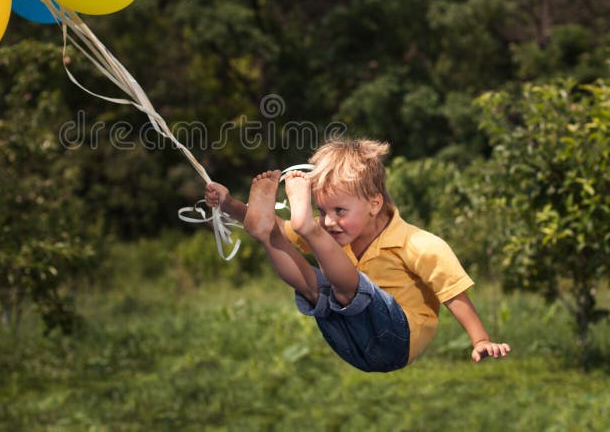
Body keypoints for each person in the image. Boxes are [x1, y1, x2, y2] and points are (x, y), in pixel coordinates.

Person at [205, 139, 510, 372]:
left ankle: (299, 226)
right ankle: (265, 236)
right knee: (311, 283)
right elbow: (286, 229)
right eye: (322, 211)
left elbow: (453, 293)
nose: (330, 221)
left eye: (339, 210)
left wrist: (480, 339)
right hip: (348, 343)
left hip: (396, 341)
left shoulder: (417, 243)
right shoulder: (335, 234)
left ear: (374, 204)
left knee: (346, 287)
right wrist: (229, 203)